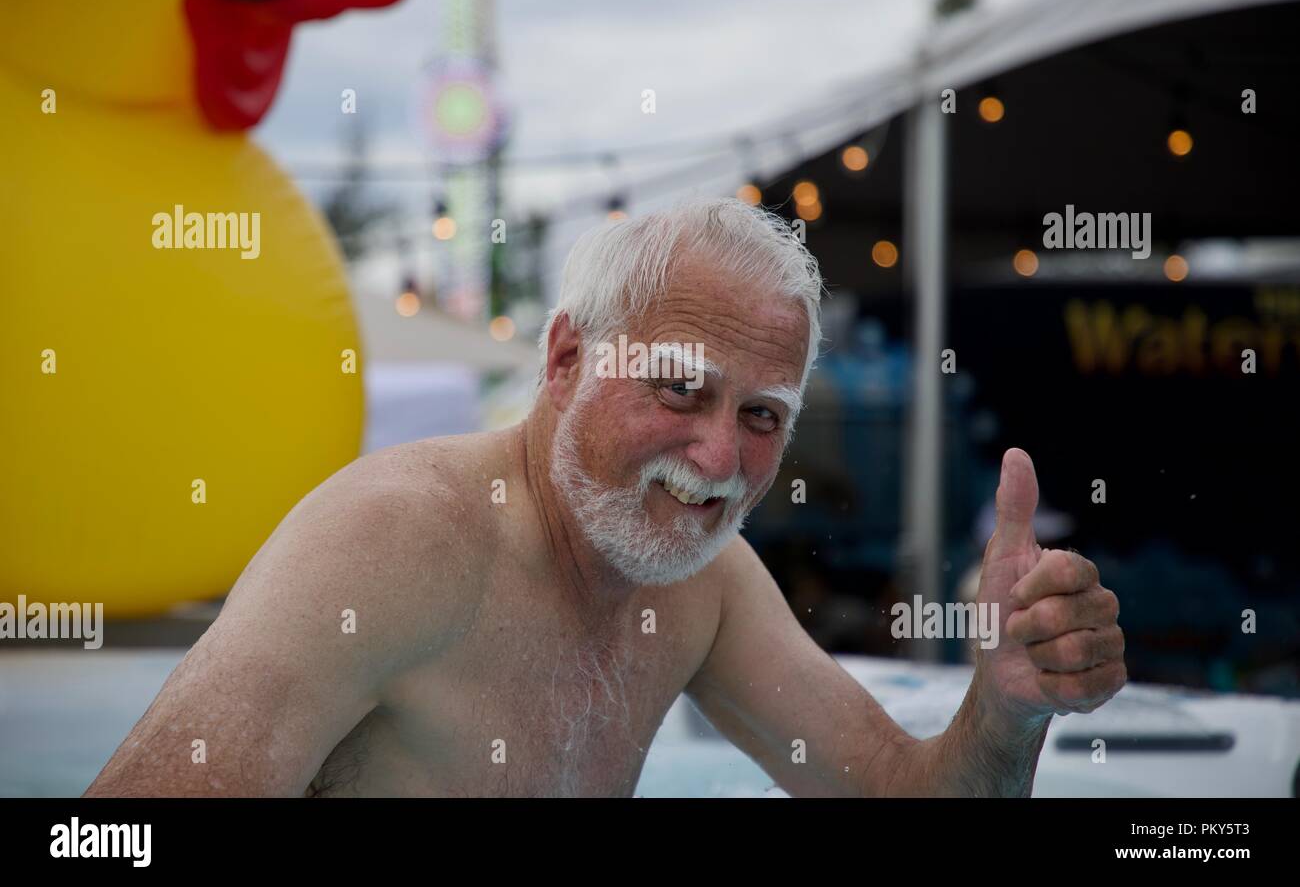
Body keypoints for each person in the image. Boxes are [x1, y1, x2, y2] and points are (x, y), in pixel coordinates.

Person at [84, 198, 1125, 797]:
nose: (718, 457)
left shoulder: (705, 584)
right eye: (680, 388)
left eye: (762, 416)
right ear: (567, 356)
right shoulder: (391, 541)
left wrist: (1004, 706)